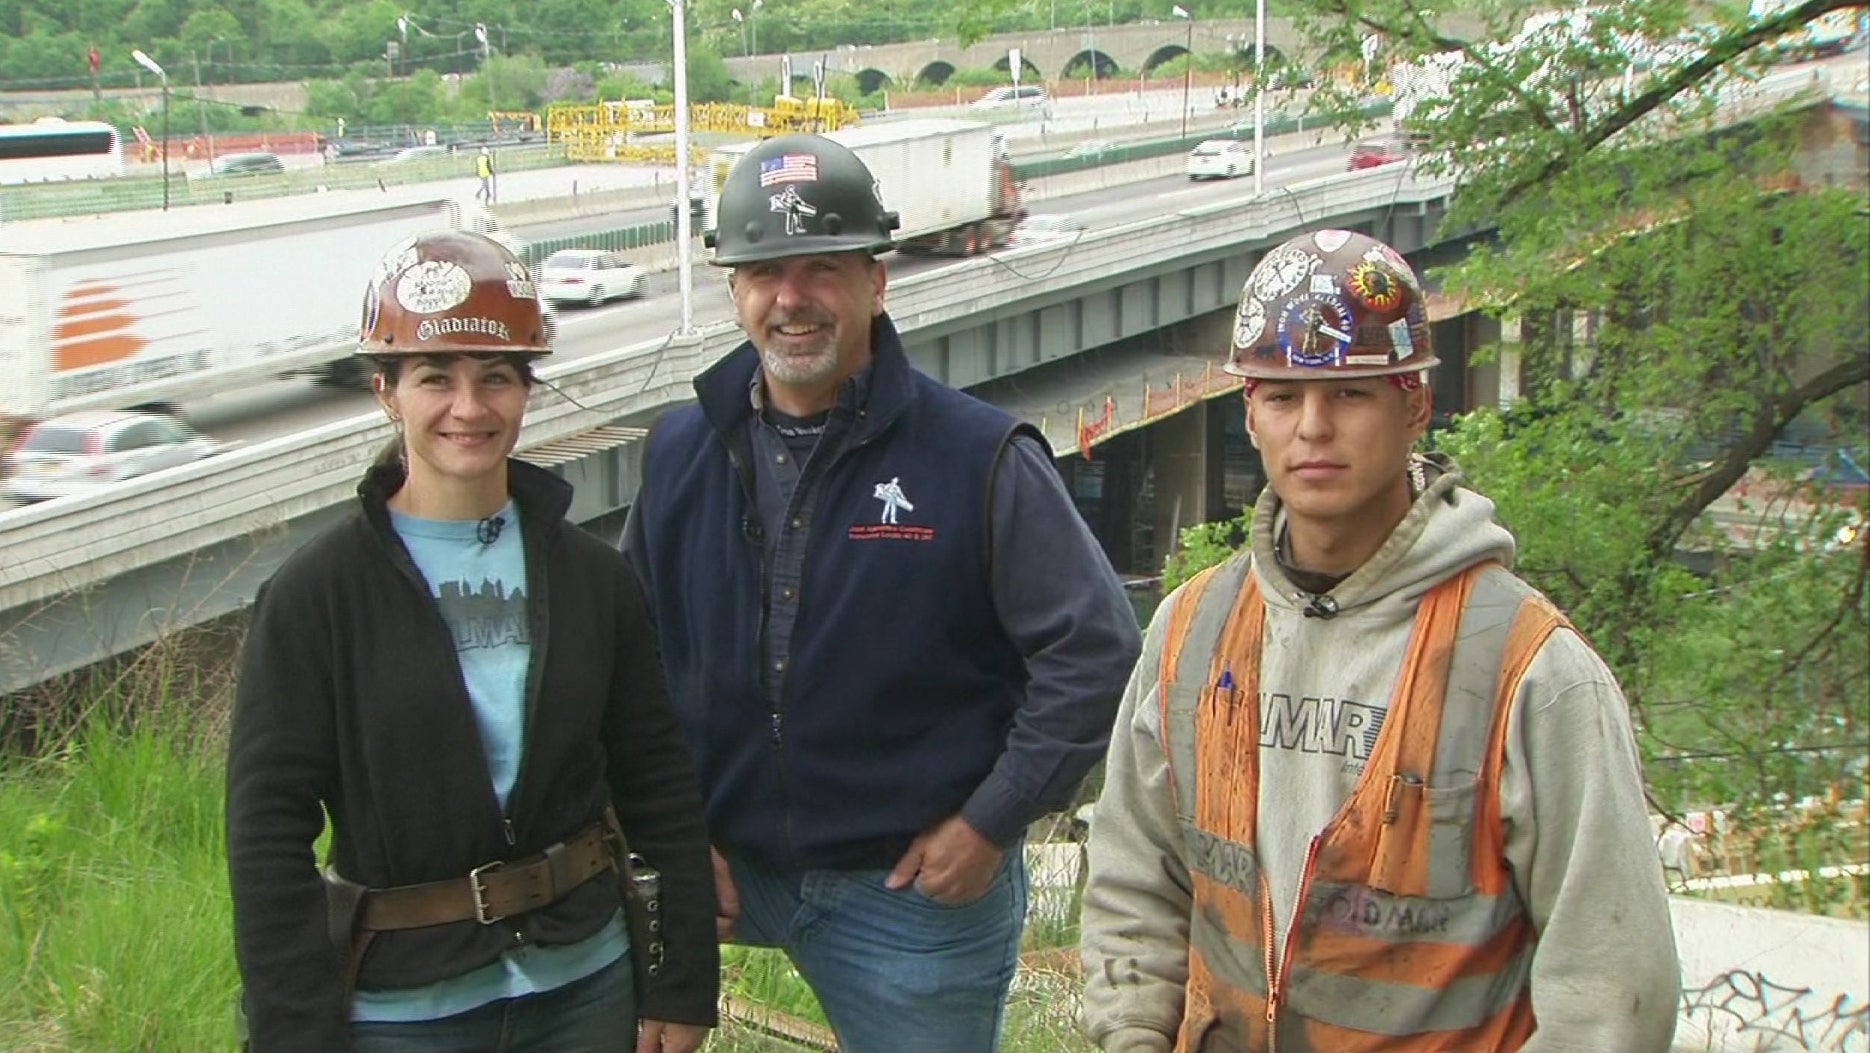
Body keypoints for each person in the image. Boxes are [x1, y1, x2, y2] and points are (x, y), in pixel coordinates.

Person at [1078, 228, 1680, 1052]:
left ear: (1417, 404)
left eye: (1351, 394)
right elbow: (1132, 879)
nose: (1313, 428)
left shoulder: (1528, 671)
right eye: (1283, 395)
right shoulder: (1192, 632)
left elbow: (1613, 989)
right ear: (1249, 413)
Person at [622, 133, 1143, 1053]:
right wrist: (668, 838)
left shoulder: (976, 457)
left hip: (908, 890)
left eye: (823, 267)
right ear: (732, 288)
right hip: (718, 864)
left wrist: (991, 820)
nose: (792, 298)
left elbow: (1095, 649)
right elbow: (626, 662)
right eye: (765, 271)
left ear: (876, 280)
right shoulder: (678, 452)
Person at [226, 229, 718, 1053]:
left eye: (496, 377)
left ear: (526, 391)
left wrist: (683, 976)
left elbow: (656, 777)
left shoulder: (593, 580)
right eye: (434, 378)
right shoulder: (316, 599)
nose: (469, 407)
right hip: (404, 1011)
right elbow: (266, 832)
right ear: (386, 392)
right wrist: (295, 1031)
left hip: (585, 985)